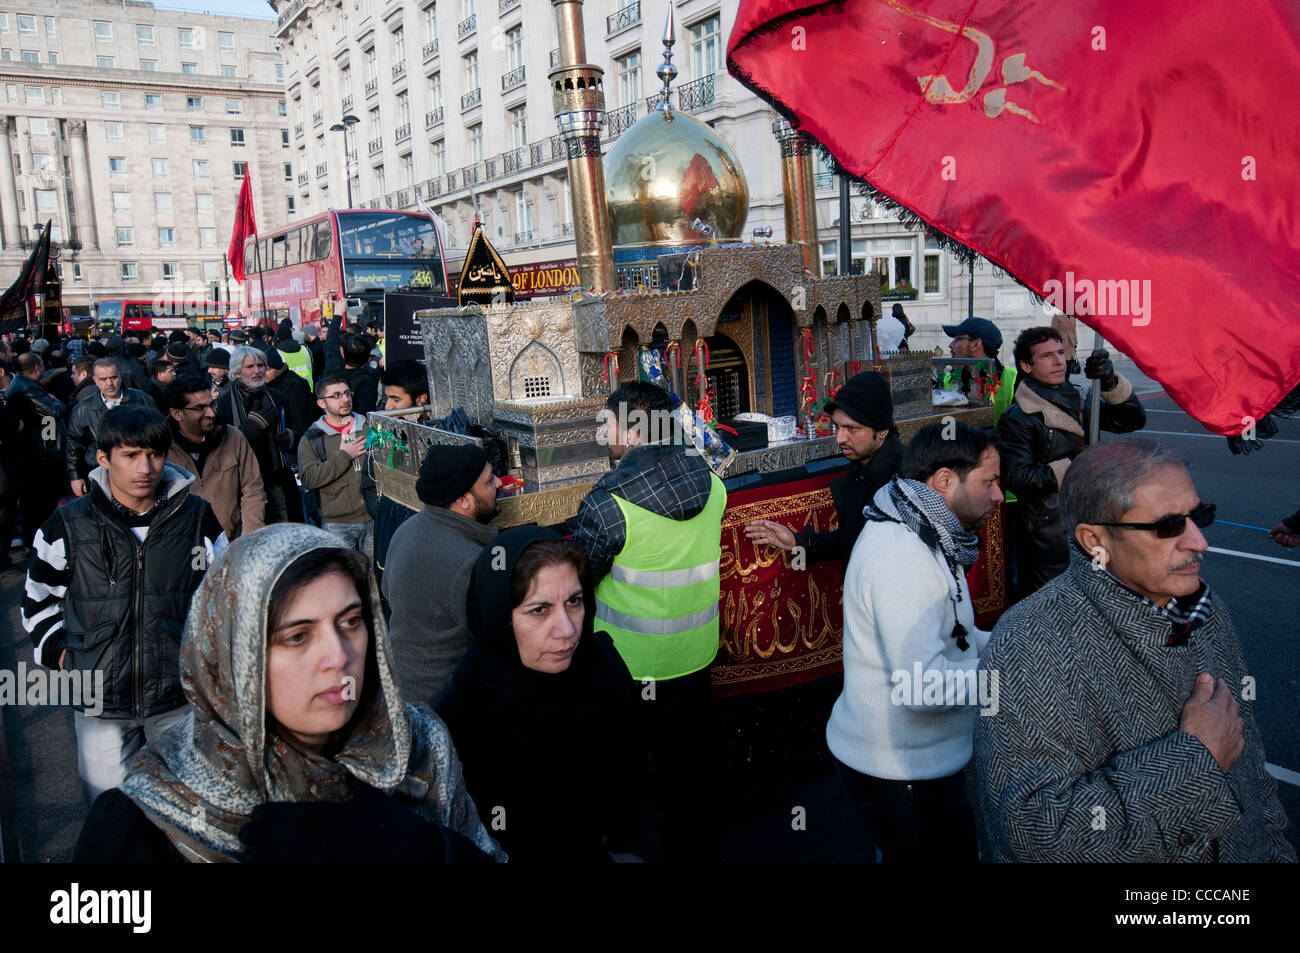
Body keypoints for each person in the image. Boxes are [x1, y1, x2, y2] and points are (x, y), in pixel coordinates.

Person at [73, 524, 505, 863]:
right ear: (232, 657)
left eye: (351, 622)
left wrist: (424, 850)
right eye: (297, 637)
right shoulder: (147, 817)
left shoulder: (418, 745)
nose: (338, 656)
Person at [976, 440, 1295, 861]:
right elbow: (1037, 836)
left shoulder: (1205, 608)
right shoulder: (1030, 643)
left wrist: (1275, 850)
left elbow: (1249, 760)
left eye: (1199, 516)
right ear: (1096, 541)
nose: (1199, 542)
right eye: (1168, 526)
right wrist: (1193, 761)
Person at [22, 406, 226, 804]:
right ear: (104, 458)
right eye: (131, 455)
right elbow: (37, 600)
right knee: (110, 816)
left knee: (182, 811)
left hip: (176, 699)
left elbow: (222, 596)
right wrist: (65, 659)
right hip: (100, 702)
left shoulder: (197, 519)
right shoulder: (67, 525)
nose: (145, 467)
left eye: (154, 454)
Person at [827, 421, 1002, 863]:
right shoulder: (903, 556)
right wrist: (1014, 681)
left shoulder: (929, 530)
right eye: (990, 482)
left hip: (921, 763)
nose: (1000, 496)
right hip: (899, 773)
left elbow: (956, 638)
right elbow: (921, 687)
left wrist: (1010, 643)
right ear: (944, 481)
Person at [435, 527, 659, 862]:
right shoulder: (461, 715)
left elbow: (639, 782)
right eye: (539, 610)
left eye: (575, 602)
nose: (568, 629)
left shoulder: (602, 665)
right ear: (499, 617)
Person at [573, 380, 725, 861]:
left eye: (609, 425)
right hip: (698, 656)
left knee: (637, 785)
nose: (605, 435)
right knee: (689, 775)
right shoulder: (714, 484)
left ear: (635, 432)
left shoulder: (607, 504)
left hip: (631, 669)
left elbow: (578, 582)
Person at [996, 327, 1146, 595]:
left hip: (1092, 522)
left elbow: (1132, 420)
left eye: (1061, 353)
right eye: (1047, 356)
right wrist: (1077, 464)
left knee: (1097, 601)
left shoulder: (1079, 398)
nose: (1058, 361)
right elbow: (1019, 478)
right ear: (1026, 366)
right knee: (1054, 611)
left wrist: (1110, 382)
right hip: (1048, 536)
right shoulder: (1019, 417)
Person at [744, 371, 902, 572]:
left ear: (881, 431)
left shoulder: (902, 483)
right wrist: (797, 541)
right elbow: (852, 541)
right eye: (837, 427)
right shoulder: (862, 468)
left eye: (851, 429)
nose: (840, 438)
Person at [385, 444, 500, 703]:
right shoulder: (467, 561)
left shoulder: (408, 528)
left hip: (400, 686)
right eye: (489, 481)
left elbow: (388, 594)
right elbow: (495, 639)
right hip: (438, 701)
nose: (500, 484)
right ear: (463, 500)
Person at [164, 374, 266, 540]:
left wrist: (248, 539)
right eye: (200, 408)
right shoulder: (159, 447)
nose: (211, 413)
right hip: (181, 549)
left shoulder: (234, 437)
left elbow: (253, 490)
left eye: (212, 405)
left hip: (230, 543)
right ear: (177, 414)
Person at [215, 345, 300, 524]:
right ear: (237, 372)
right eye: (250, 367)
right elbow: (221, 445)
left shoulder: (276, 397)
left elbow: (298, 428)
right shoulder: (223, 404)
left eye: (261, 366)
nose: (258, 371)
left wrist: (291, 436)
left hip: (278, 479)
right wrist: (251, 428)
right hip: (242, 483)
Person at [298, 374, 375, 556]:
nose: (345, 399)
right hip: (337, 524)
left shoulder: (369, 427)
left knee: (373, 575)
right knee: (346, 575)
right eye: (336, 395)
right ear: (321, 403)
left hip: (372, 517)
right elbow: (309, 479)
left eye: (347, 393)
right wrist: (344, 456)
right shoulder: (312, 438)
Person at [66, 358, 157, 498]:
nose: (109, 383)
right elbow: (74, 445)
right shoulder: (82, 409)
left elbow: (158, 436)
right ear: (95, 381)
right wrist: (75, 477)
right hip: (99, 473)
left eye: (113, 378)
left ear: (120, 377)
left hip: (138, 471)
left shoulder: (143, 400)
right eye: (103, 379)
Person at [6, 352, 68, 547]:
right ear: (37, 367)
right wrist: (55, 400)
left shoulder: (24, 384)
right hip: (34, 452)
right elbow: (54, 410)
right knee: (36, 500)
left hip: (36, 449)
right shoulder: (26, 388)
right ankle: (34, 541)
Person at [940, 317, 1017, 422]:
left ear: (975, 345)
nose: (951, 345)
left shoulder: (1014, 380)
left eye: (958, 339)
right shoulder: (947, 380)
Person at [324, 312, 379, 416]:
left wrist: (337, 315)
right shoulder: (367, 381)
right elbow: (366, 414)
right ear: (368, 359)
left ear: (343, 354)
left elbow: (330, 345)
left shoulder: (331, 374)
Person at [264, 345, 316, 443]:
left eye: (268, 369)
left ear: (278, 368)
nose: (264, 374)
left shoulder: (292, 387)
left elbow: (301, 420)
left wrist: (293, 436)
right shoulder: (271, 383)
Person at [274, 317, 314, 391]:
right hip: (308, 387)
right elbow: (312, 364)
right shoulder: (304, 348)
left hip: (288, 390)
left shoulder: (277, 351)